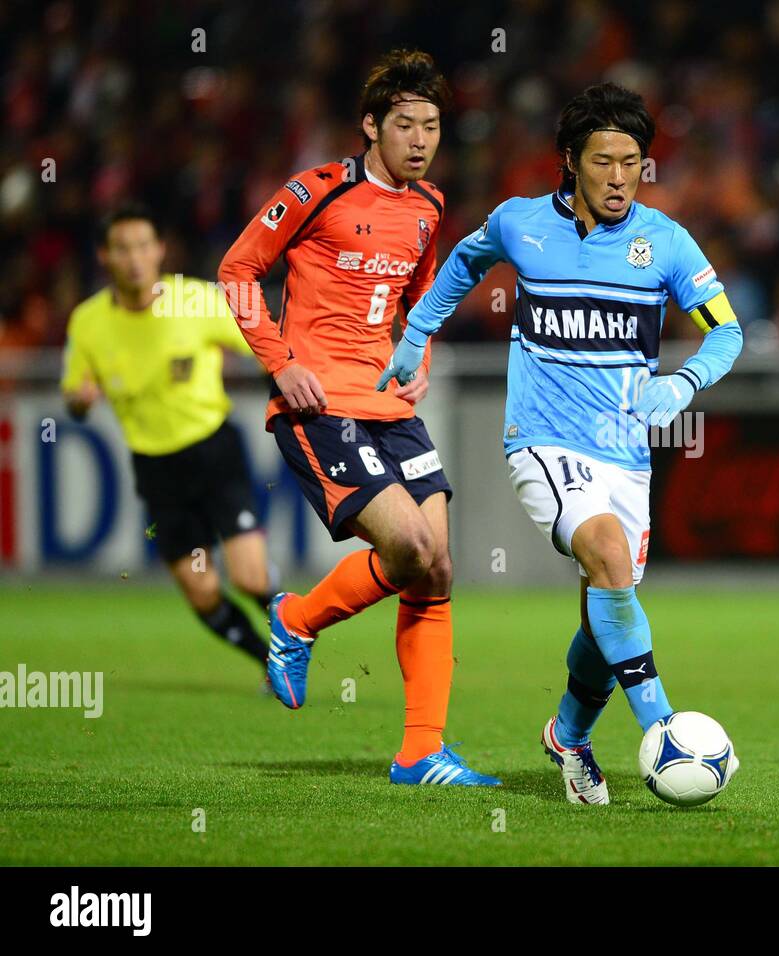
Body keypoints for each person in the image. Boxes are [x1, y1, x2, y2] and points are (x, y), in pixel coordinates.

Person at [380, 82, 745, 804]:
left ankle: (569, 736)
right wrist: (417, 332)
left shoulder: (665, 243)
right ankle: (666, 729)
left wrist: (684, 382)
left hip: (626, 453)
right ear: (570, 162)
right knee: (607, 556)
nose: (620, 178)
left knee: (606, 618)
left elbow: (727, 329)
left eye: (634, 162)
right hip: (542, 440)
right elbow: (462, 265)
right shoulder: (521, 225)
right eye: (605, 161)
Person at [218, 48, 498, 786]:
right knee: (408, 545)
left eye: (432, 127)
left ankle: (420, 753)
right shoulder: (316, 190)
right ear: (370, 125)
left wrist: (421, 358)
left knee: (435, 568)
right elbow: (237, 272)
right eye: (405, 125)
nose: (420, 140)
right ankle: (297, 620)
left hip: (389, 404)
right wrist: (280, 363)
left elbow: (424, 294)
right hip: (319, 406)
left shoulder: (430, 207)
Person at [62, 203, 273, 674]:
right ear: (104, 256)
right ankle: (269, 660)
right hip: (156, 470)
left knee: (251, 577)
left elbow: (262, 345)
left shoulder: (195, 300)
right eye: (122, 248)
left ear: (159, 249)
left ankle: (296, 634)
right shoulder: (88, 322)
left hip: (214, 451)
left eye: (142, 246)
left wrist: (277, 380)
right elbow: (74, 398)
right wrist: (80, 400)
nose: (134, 258)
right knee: (202, 592)